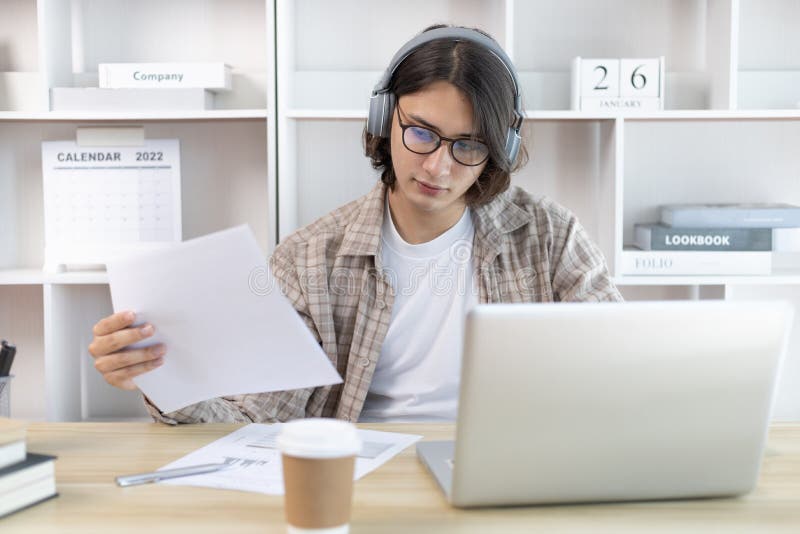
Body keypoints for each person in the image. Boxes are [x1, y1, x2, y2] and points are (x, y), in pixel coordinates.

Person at [88, 25, 622, 425]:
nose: (438, 166)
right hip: (369, 477)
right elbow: (255, 416)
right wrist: (164, 382)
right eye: (422, 133)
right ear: (382, 119)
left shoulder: (550, 236)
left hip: (512, 470)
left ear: (497, 151)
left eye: (468, 145)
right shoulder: (309, 257)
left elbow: (621, 366)